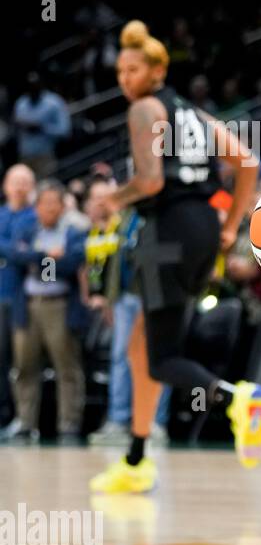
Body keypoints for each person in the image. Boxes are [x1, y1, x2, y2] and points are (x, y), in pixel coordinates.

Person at [89, 20, 261, 494]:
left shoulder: (146, 108)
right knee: (139, 347)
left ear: (157, 70)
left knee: (159, 358)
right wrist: (229, 229)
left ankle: (236, 398)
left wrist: (112, 198)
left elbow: (149, 182)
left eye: (133, 69)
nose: (125, 79)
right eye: (120, 71)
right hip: (202, 229)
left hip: (164, 232)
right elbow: (247, 162)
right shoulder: (192, 112)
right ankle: (135, 457)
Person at [83, 180, 171, 446]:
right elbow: (114, 263)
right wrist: (110, 300)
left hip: (153, 298)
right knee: (120, 356)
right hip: (125, 298)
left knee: (156, 357)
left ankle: (155, 422)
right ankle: (118, 421)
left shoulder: (163, 218)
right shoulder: (124, 220)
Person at [5, 180, 87, 443]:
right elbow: (14, 254)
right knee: (24, 367)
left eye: (55, 203)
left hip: (58, 304)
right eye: (45, 203)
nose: (49, 208)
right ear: (37, 206)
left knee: (67, 367)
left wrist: (39, 260)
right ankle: (26, 424)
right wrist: (46, 256)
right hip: (29, 304)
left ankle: (68, 425)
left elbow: (73, 262)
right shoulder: (27, 228)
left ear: (63, 206)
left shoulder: (73, 230)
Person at [0, 164, 37, 432]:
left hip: (23, 300)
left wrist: (12, 250)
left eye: (26, 181)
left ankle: (20, 418)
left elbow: (31, 256)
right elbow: (17, 251)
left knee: (22, 362)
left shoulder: (35, 217)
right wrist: (13, 248)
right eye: (16, 181)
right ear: (5, 186)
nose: (20, 186)